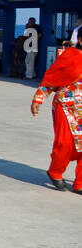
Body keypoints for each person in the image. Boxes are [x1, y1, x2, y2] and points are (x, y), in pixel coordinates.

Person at [31, 27, 82, 191]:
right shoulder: (70, 55)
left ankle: (80, 183)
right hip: (66, 105)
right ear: (80, 40)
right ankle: (55, 172)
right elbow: (53, 76)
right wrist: (39, 98)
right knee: (64, 143)